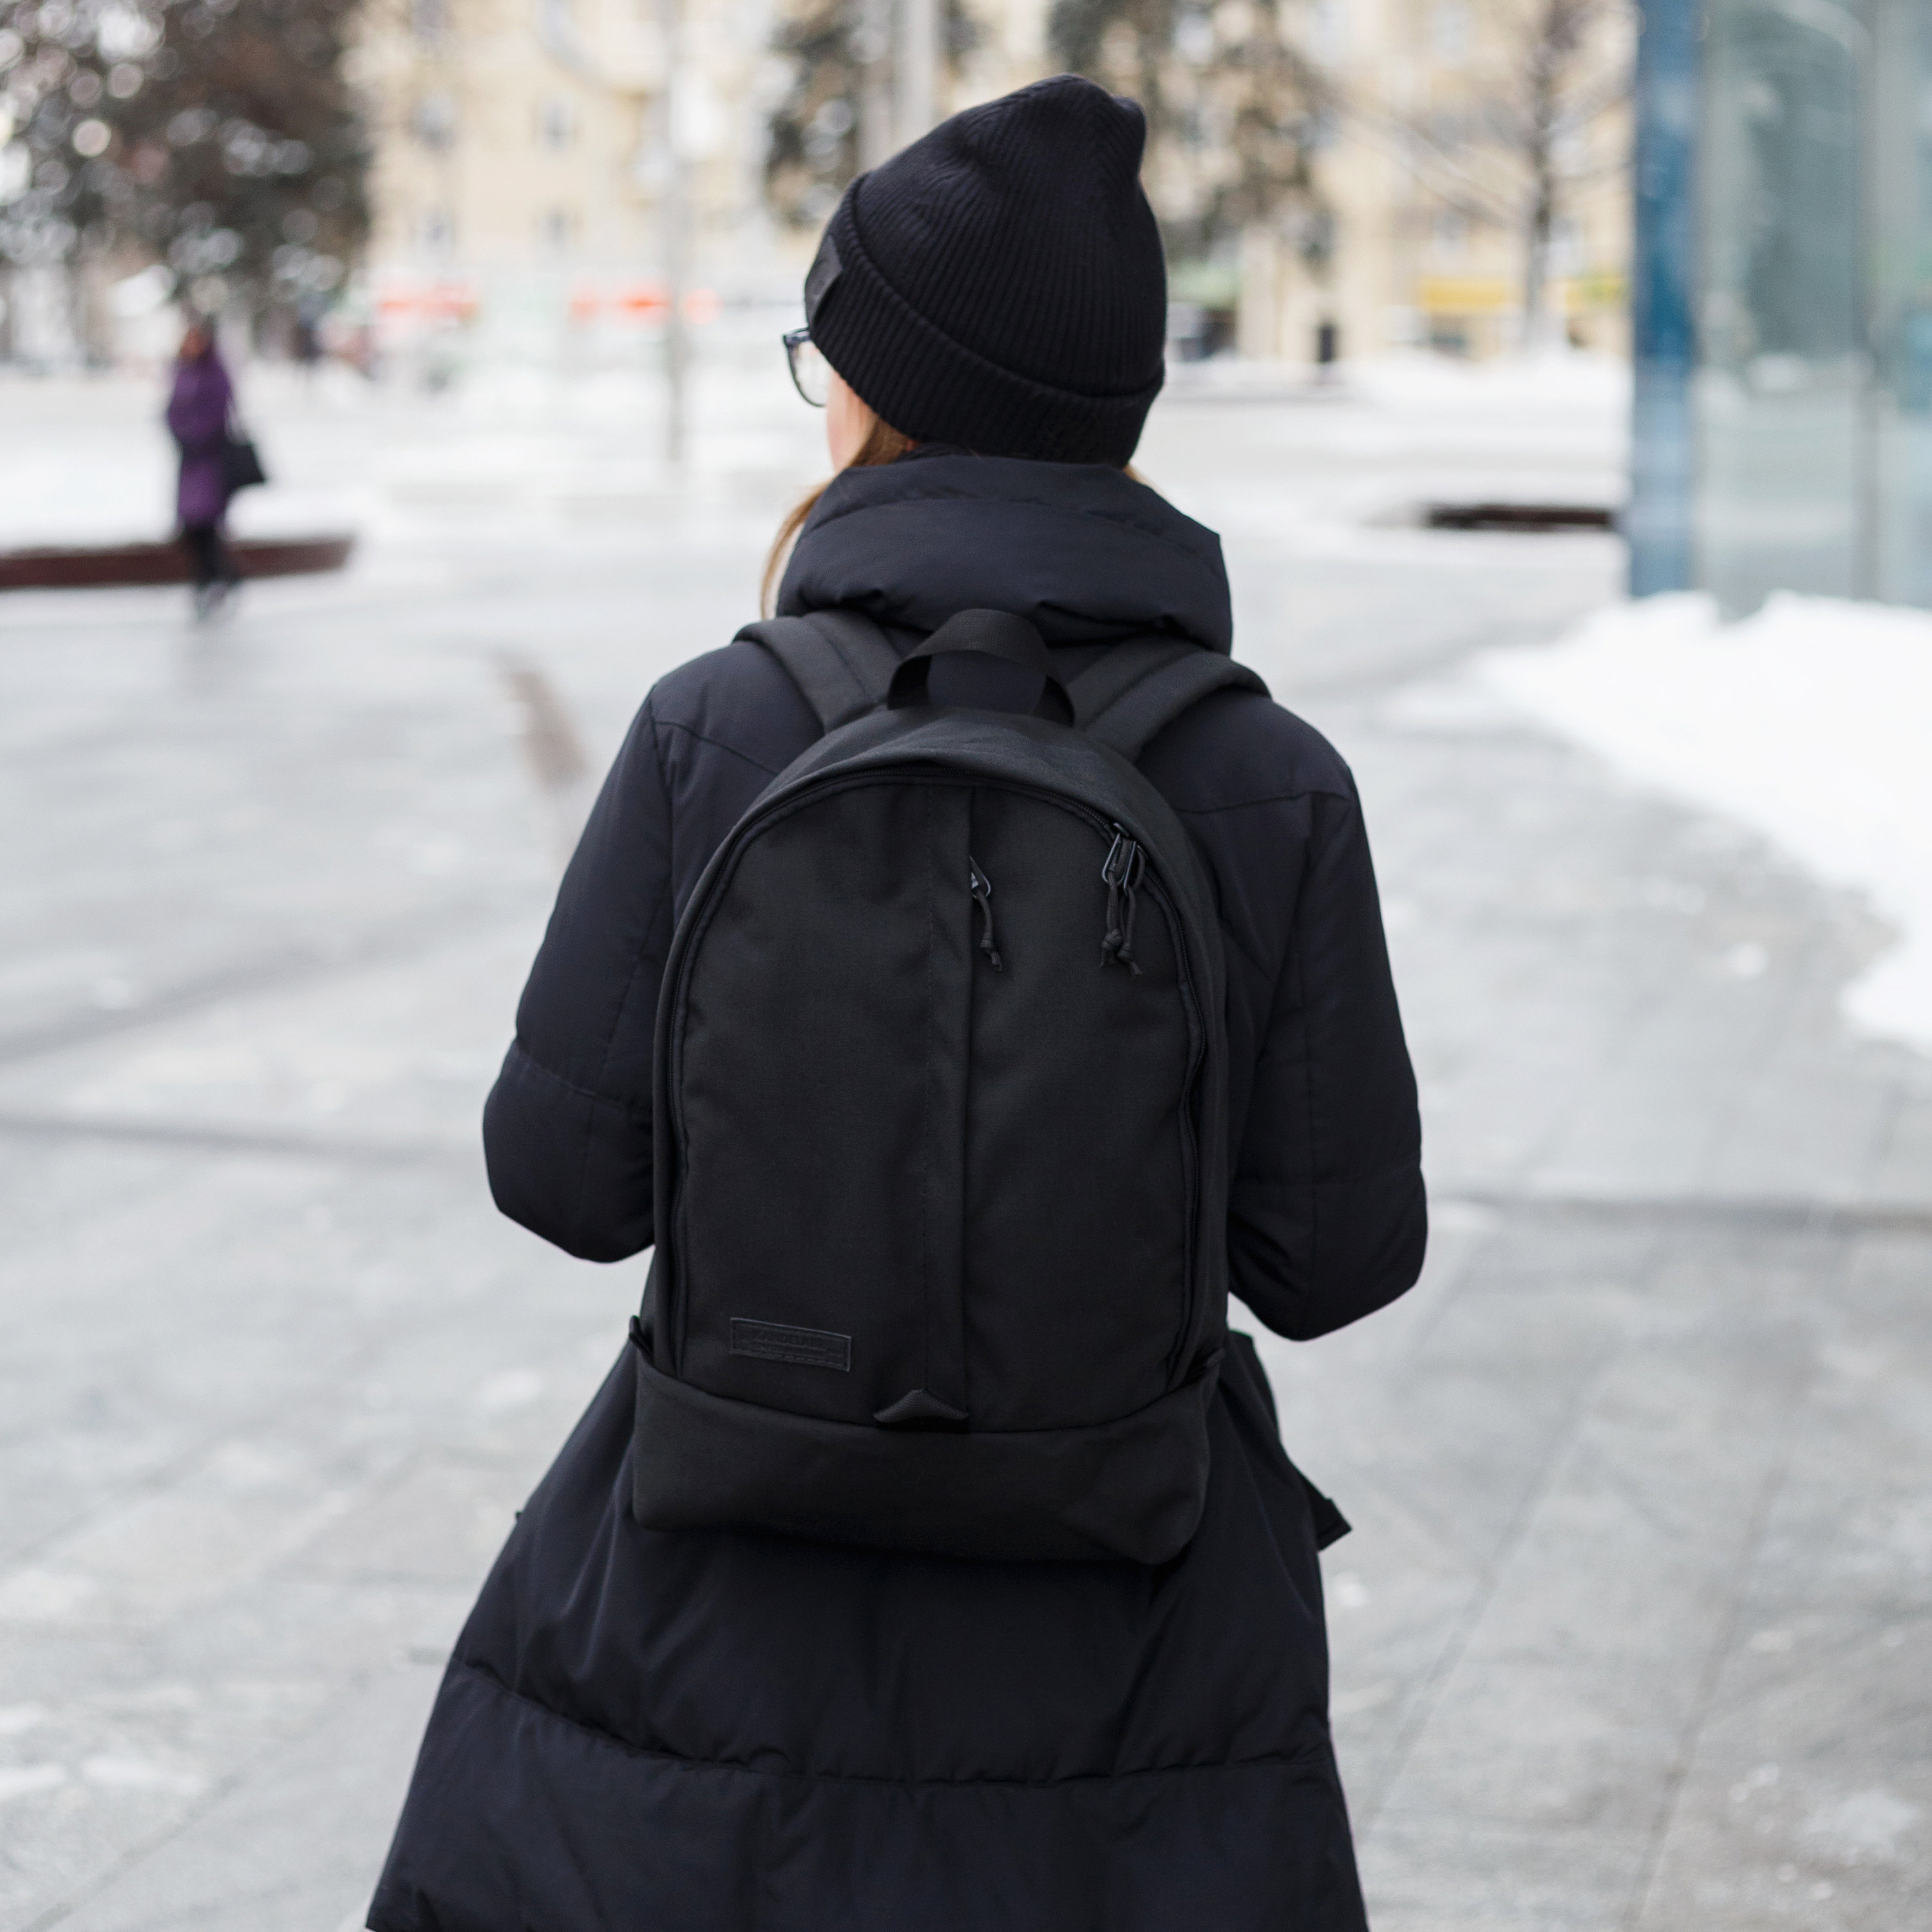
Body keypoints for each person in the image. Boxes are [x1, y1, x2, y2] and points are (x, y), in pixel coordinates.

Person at [370, 75, 1425, 1932]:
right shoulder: (1268, 778)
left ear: (882, 390)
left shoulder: (721, 723)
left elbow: (562, 1182)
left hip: (709, 1647)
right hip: (1132, 1678)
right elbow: (1334, 1261)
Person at [165, 321, 240, 616]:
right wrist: (180, 434)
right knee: (190, 526)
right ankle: (206, 580)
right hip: (189, 461)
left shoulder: (215, 374)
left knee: (209, 524)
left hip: (211, 459)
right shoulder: (182, 372)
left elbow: (220, 412)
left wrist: (199, 436)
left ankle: (218, 579)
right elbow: (171, 410)